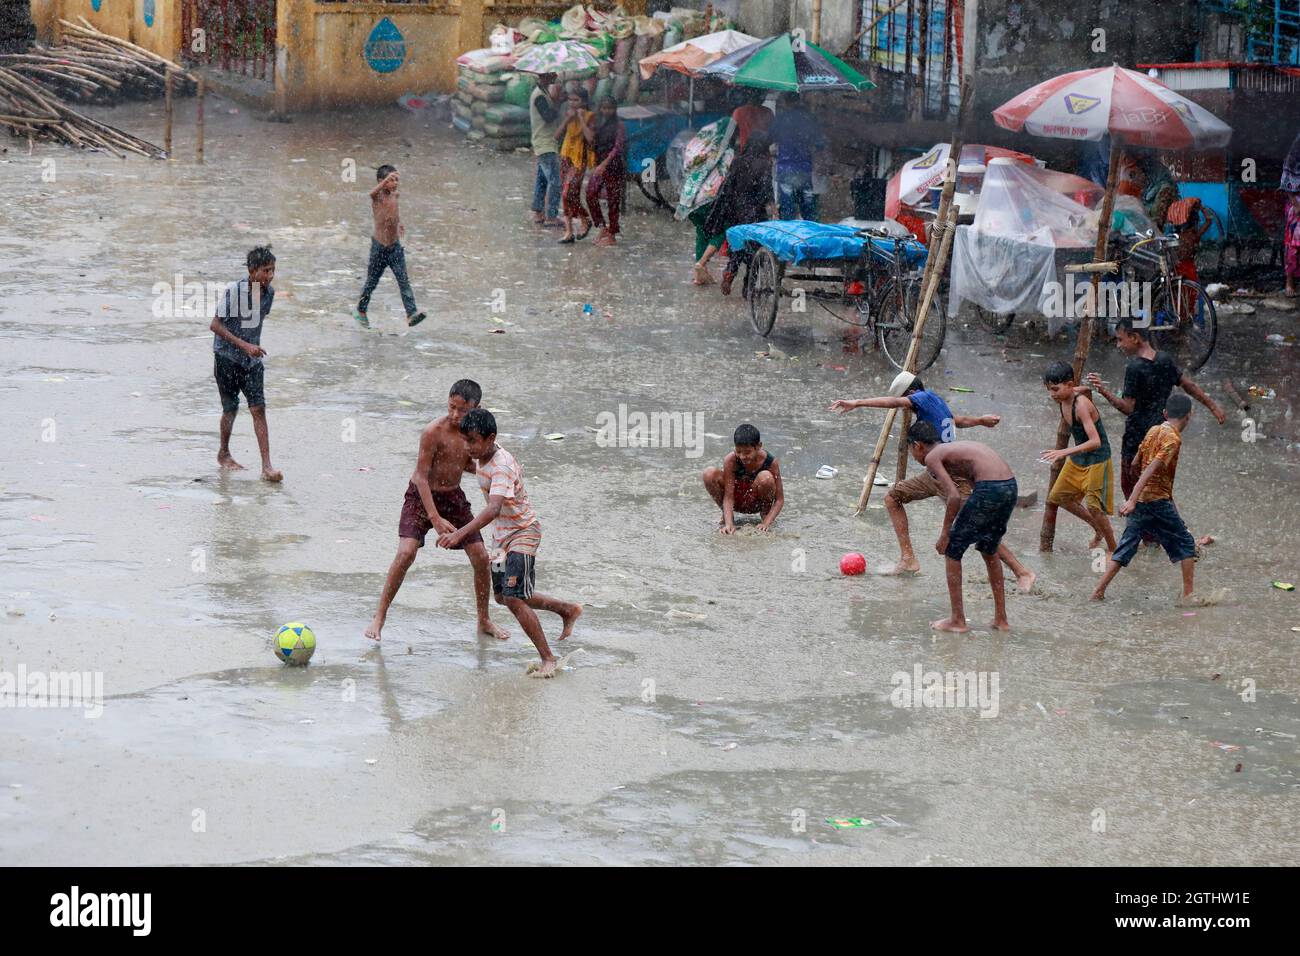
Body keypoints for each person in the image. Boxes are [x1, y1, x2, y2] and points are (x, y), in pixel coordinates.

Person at [830, 371, 1035, 590]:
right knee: (893, 497)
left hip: (951, 476)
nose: (906, 407)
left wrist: (858, 403)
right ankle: (908, 559)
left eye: (907, 402)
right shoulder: (934, 402)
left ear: (912, 392)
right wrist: (981, 421)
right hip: (933, 473)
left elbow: (893, 402)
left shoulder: (922, 397)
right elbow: (958, 421)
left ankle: (1021, 571)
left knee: (978, 527)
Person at [438, 409, 582, 678]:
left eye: (472, 441)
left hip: (523, 533)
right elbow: (475, 466)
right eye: (464, 441)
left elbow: (492, 509)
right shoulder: (481, 454)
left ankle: (548, 658)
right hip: (502, 537)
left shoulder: (501, 466)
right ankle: (566, 609)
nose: (467, 447)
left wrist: (458, 535)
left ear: (490, 438)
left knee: (514, 598)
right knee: (504, 596)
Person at [365, 380, 507, 644]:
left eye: (462, 411)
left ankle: (483, 619)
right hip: (421, 497)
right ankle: (380, 616)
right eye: (451, 407)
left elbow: (466, 465)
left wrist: (496, 474)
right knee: (406, 553)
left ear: (476, 409)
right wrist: (435, 518)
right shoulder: (433, 431)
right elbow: (419, 477)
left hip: (452, 497)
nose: (455, 415)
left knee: (479, 556)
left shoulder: (470, 435)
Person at [1086, 318, 1224, 514]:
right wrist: (1213, 406)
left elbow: (1128, 408)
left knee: (1132, 486)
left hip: (1138, 438)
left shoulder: (1134, 368)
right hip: (1161, 434)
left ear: (1134, 338)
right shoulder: (1165, 359)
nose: (1118, 345)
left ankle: (1149, 533)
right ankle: (1166, 533)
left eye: (1120, 339)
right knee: (1159, 488)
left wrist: (1103, 391)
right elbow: (1188, 385)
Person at [906, 423, 1018, 633]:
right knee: (989, 549)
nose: (914, 457)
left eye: (912, 451)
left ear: (917, 445)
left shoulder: (932, 457)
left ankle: (957, 620)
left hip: (990, 488)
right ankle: (1001, 620)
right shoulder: (954, 450)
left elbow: (954, 496)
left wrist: (945, 534)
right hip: (1009, 487)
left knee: (952, 551)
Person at [1092, 394, 1198, 601]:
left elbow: (1135, 464)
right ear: (1189, 416)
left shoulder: (1154, 430)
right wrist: (1132, 499)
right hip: (1156, 501)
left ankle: (1098, 591)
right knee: (1186, 543)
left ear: (1165, 413)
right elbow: (1152, 467)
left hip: (1143, 501)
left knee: (1126, 546)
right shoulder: (1173, 439)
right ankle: (1188, 595)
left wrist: (1135, 496)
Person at [210, 245, 282, 482]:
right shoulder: (235, 292)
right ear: (252, 271)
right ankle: (224, 453)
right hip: (227, 358)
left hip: (251, 362)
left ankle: (267, 467)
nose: (270, 276)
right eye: (265, 271)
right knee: (230, 408)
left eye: (272, 270)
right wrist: (245, 346)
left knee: (258, 409)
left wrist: (252, 348)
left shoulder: (269, 294)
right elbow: (215, 326)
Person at [1039, 361, 1117, 553]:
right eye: (1049, 390)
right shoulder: (1066, 396)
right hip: (1080, 458)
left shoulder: (1080, 405)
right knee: (1059, 497)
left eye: (1056, 389)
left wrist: (1062, 452)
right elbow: (1085, 389)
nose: (1052, 394)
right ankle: (1097, 528)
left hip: (1097, 459)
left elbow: (1095, 441)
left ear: (1069, 384)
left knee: (1095, 507)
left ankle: (1114, 548)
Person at [693, 130, 774, 292]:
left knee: (738, 244)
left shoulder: (737, 161)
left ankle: (730, 270)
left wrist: (726, 209)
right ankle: (748, 286)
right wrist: (770, 207)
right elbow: (766, 190)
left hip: (736, 210)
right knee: (754, 248)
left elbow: (728, 187)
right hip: (755, 212)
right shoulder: (765, 164)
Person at [353, 165, 426, 329]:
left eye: (396, 180)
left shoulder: (395, 195)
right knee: (372, 281)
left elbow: (393, 212)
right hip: (379, 247)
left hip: (394, 248)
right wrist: (384, 181)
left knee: (403, 281)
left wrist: (399, 223)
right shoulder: (377, 197)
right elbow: (370, 193)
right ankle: (361, 310)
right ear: (382, 182)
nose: (394, 183)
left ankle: (411, 314)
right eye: (391, 180)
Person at [702, 423, 784, 534]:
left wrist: (767, 523)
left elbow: (779, 499)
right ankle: (727, 515)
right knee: (709, 473)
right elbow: (728, 496)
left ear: (759, 446)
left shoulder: (771, 462)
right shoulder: (731, 460)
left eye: (747, 452)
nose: (742, 456)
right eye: (738, 451)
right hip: (737, 500)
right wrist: (729, 525)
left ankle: (765, 516)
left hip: (757, 502)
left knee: (766, 477)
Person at [768, 92, 827, 221]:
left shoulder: (781, 119)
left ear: (785, 101)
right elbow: (820, 144)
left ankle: (788, 237)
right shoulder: (809, 118)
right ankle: (810, 237)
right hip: (804, 169)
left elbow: (771, 137)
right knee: (808, 210)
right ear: (799, 100)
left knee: (787, 210)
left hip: (785, 169)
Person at [584, 95, 626, 247]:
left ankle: (612, 234)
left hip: (613, 165)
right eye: (604, 108)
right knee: (590, 193)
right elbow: (593, 143)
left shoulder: (619, 125)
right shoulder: (599, 123)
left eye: (610, 108)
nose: (606, 111)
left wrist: (605, 163)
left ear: (615, 109)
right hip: (600, 164)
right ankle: (602, 227)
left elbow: (618, 147)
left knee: (613, 201)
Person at [557, 87, 594, 244]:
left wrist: (580, 119)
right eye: (570, 100)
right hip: (566, 157)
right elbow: (556, 135)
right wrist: (567, 119)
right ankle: (572, 229)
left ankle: (578, 223)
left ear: (584, 102)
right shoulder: (567, 115)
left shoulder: (590, 116)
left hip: (579, 159)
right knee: (569, 196)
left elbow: (590, 138)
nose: (572, 103)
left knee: (567, 193)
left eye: (576, 100)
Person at [528, 73, 563, 228]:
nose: (556, 75)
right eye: (552, 73)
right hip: (545, 143)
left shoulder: (543, 92)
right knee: (555, 181)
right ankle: (551, 216)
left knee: (542, 179)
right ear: (546, 75)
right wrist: (558, 103)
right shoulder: (539, 97)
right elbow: (548, 117)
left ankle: (538, 211)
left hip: (544, 142)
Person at [1284, 189, 1299, 297]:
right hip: (1296, 203)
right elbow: (1287, 184)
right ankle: (1289, 281)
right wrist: (1296, 203)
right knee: (1293, 247)